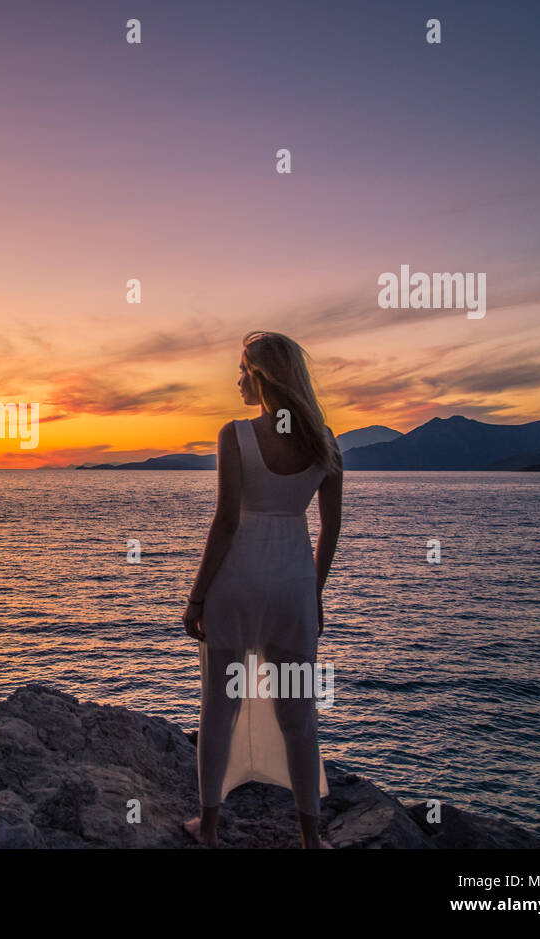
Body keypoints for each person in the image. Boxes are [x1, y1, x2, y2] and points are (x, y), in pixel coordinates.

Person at [181, 331, 343, 849]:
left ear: (261, 376)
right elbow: (331, 529)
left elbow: (226, 521)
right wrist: (312, 593)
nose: (236, 380)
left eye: (242, 370)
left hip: (236, 583)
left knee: (219, 709)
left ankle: (207, 829)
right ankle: (310, 840)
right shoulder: (326, 441)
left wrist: (197, 596)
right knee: (298, 716)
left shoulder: (235, 434)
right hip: (293, 586)